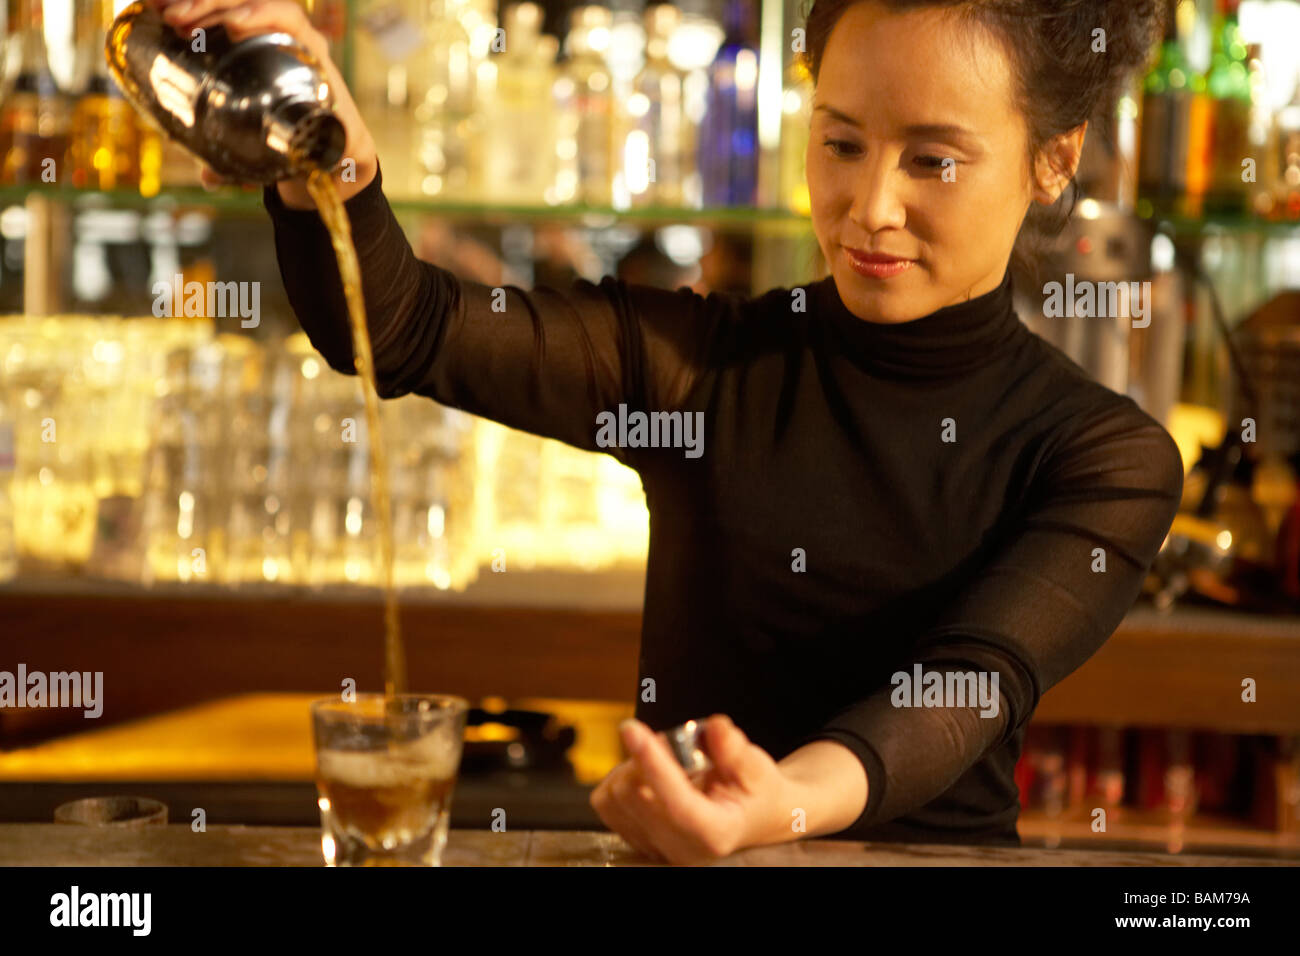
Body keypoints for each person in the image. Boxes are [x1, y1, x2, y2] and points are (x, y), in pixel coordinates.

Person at [154, 0, 1181, 864]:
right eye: (840, 143)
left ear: (1053, 160)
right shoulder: (703, 366)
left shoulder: (1099, 455)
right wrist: (323, 151)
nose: (870, 206)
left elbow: (966, 682)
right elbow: (401, 327)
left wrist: (769, 803)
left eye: (932, 160)